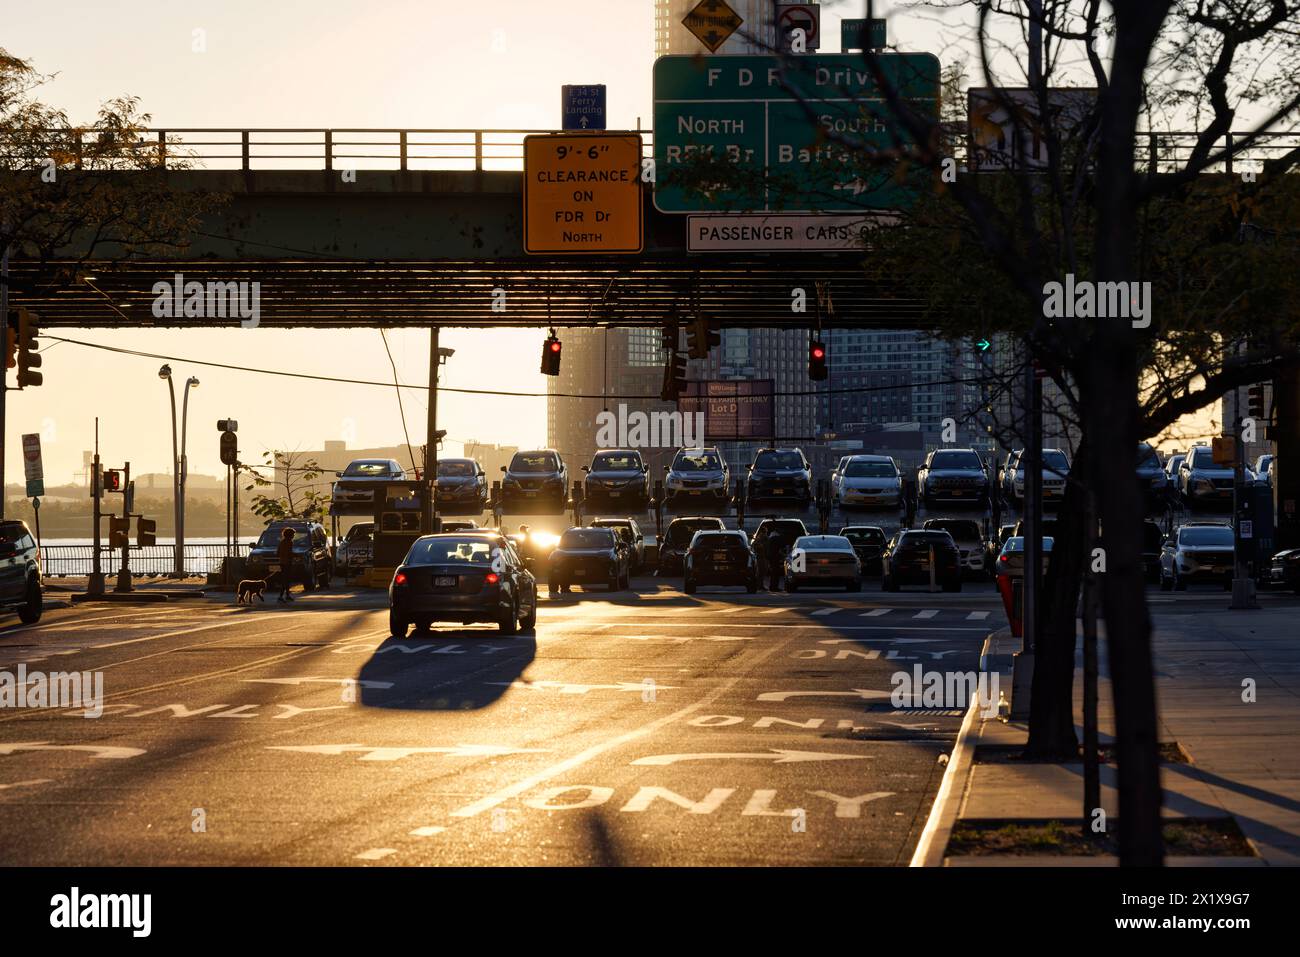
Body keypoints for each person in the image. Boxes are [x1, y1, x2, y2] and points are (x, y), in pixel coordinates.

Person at [276, 526, 296, 602]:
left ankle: (287, 595)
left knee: (286, 580)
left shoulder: (282, 542)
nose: (294, 536)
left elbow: (278, 553)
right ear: (290, 535)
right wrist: (296, 555)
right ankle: (281, 596)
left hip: (282, 563)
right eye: (293, 534)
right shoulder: (289, 542)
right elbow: (289, 553)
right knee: (286, 580)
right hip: (287, 563)